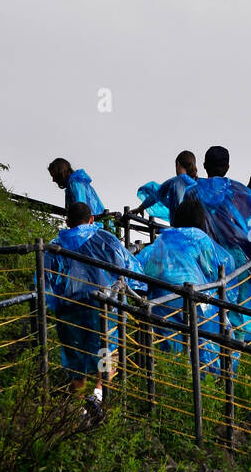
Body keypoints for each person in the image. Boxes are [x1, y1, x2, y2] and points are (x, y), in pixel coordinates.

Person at [183, 146, 251, 342]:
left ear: (205, 166)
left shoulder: (192, 192)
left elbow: (183, 222)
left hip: (200, 252)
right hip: (234, 255)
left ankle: (206, 340)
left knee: (202, 298)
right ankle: (237, 341)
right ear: (227, 167)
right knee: (237, 301)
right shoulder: (239, 192)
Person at [44, 203, 142, 398]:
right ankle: (98, 394)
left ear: (67, 221)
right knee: (106, 350)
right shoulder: (105, 239)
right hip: (103, 305)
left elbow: (47, 282)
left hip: (69, 308)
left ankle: (77, 409)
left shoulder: (54, 245)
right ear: (92, 220)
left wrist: (56, 304)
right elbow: (126, 266)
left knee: (75, 358)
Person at [135, 199, 239, 371]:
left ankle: (174, 374)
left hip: (163, 301)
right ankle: (209, 377)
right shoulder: (201, 239)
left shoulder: (164, 238)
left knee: (172, 341)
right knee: (205, 339)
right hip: (196, 300)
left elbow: (140, 265)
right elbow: (215, 268)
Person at [135, 150, 198, 222]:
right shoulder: (199, 184)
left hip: (179, 229)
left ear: (178, 164)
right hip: (199, 230)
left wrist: (140, 208)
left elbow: (156, 194)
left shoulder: (174, 182)